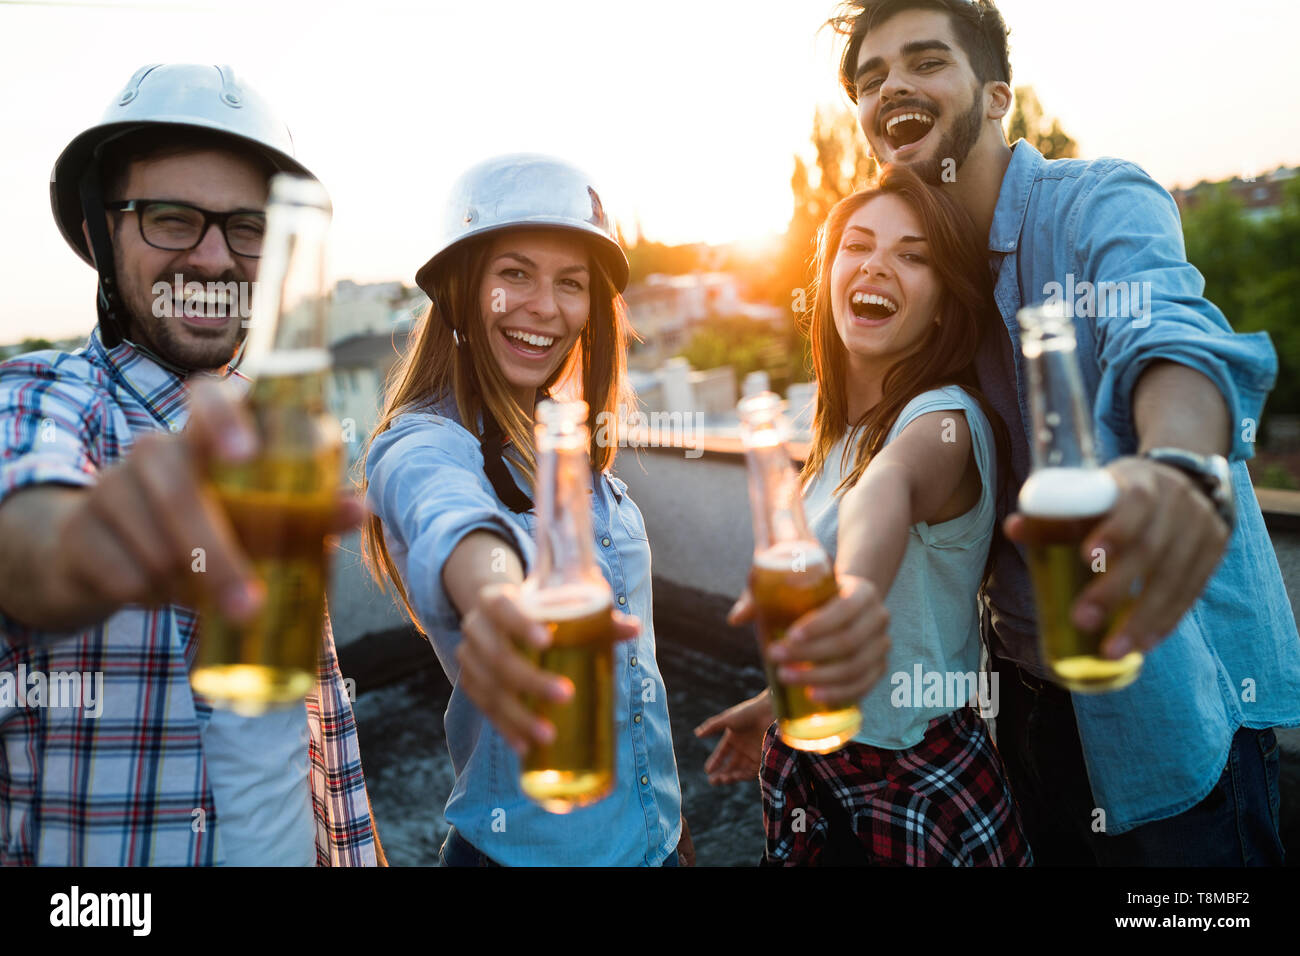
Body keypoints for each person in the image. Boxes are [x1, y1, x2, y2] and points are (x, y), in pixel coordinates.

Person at [827, 0, 1298, 864]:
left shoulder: (1096, 203)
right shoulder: (923, 272)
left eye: (926, 62)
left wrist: (1176, 467)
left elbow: (1170, 332)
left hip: (1173, 689)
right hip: (1026, 707)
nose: (893, 84)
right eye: (871, 77)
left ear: (997, 95)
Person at [361, 154, 890, 866]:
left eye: (570, 283)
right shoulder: (425, 443)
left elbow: (634, 681)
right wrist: (499, 601)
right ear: (460, 292)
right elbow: (444, 512)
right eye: (514, 273)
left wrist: (667, 829)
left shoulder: (562, 437)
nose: (545, 306)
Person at [0, 64, 381, 866]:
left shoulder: (283, 435)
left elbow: (312, 719)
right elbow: (31, 541)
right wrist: (91, 544)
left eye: (247, 227)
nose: (213, 260)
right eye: (172, 219)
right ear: (104, 233)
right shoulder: (38, 398)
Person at [700, 166, 1031, 865]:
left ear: (944, 302)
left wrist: (850, 594)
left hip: (915, 784)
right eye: (858, 245)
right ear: (827, 272)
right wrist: (776, 702)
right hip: (817, 771)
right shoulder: (829, 439)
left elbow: (891, 488)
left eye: (914, 256)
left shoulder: (944, 419)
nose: (878, 264)